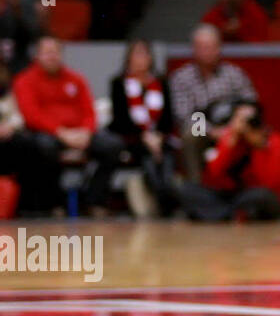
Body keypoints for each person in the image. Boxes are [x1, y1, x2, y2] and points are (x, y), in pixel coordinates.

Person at [13, 37, 125, 215]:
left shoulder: (76, 79)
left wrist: (86, 132)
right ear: (37, 55)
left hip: (80, 133)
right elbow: (32, 115)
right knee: (43, 147)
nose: (52, 57)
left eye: (55, 52)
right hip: (48, 133)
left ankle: (94, 201)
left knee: (113, 144)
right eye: (47, 52)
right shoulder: (25, 80)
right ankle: (54, 202)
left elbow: (89, 110)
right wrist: (61, 133)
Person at [169, 24, 259, 182]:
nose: (206, 52)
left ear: (219, 48)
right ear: (194, 50)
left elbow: (251, 104)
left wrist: (233, 127)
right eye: (202, 47)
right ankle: (195, 189)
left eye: (210, 47)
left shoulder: (234, 74)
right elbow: (184, 115)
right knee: (190, 136)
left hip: (234, 128)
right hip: (201, 129)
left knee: (259, 136)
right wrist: (212, 131)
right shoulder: (182, 78)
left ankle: (248, 190)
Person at [176, 101, 280, 222]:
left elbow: (271, 182)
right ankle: (232, 214)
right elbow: (215, 174)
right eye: (240, 119)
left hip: (251, 193)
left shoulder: (273, 141)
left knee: (263, 196)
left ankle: (222, 215)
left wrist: (258, 147)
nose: (245, 125)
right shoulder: (229, 137)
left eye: (249, 120)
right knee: (187, 190)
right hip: (227, 196)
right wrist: (231, 144)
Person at [108, 39, 176, 217]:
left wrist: (158, 137)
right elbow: (120, 120)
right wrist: (145, 137)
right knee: (147, 154)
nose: (141, 58)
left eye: (144, 53)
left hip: (159, 138)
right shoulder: (118, 83)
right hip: (133, 139)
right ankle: (160, 202)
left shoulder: (161, 82)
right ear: (128, 58)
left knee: (168, 153)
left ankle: (168, 197)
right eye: (136, 53)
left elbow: (168, 118)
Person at [0, 62, 60, 214]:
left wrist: (10, 127)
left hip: (9, 139)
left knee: (30, 146)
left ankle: (29, 205)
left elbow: (19, 116)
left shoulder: (9, 92)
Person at [201, 0, 269, 42]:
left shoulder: (256, 13)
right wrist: (224, 31)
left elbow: (261, 43)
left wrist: (240, 31)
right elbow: (204, 38)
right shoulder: (213, 15)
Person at [0, 0, 42, 74]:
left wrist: (17, 12)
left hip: (19, 57)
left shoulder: (26, 8)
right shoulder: (2, 8)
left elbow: (33, 34)